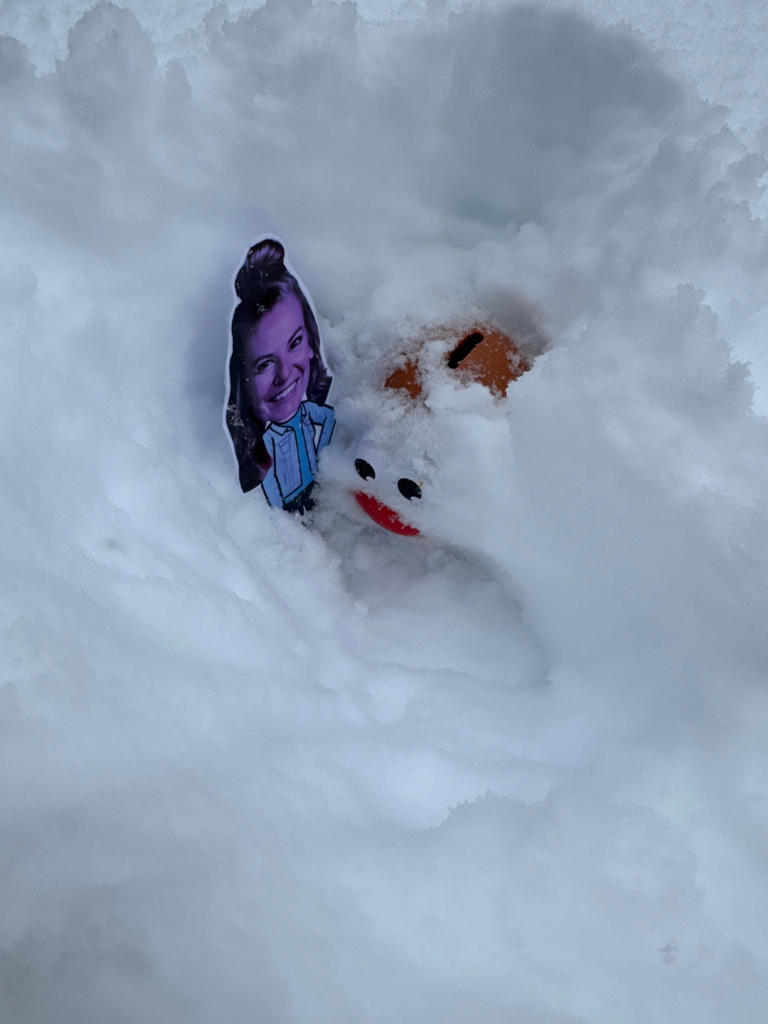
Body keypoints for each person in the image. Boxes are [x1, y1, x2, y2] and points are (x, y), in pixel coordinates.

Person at [226, 239, 334, 512]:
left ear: (311, 343)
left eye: (295, 343)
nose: (284, 375)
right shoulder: (268, 443)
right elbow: (270, 485)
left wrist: (324, 456)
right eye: (264, 365)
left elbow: (329, 418)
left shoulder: (308, 413)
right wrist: (280, 515)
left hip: (316, 491)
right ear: (243, 381)